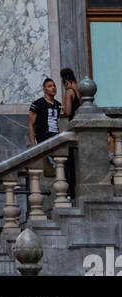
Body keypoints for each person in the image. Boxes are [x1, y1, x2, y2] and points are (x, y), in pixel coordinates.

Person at [60, 67, 81, 199]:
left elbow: (67, 112)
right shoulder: (79, 89)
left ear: (66, 81)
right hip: (81, 128)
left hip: (73, 128)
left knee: (70, 164)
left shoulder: (69, 91)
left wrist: (62, 108)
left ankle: (71, 194)